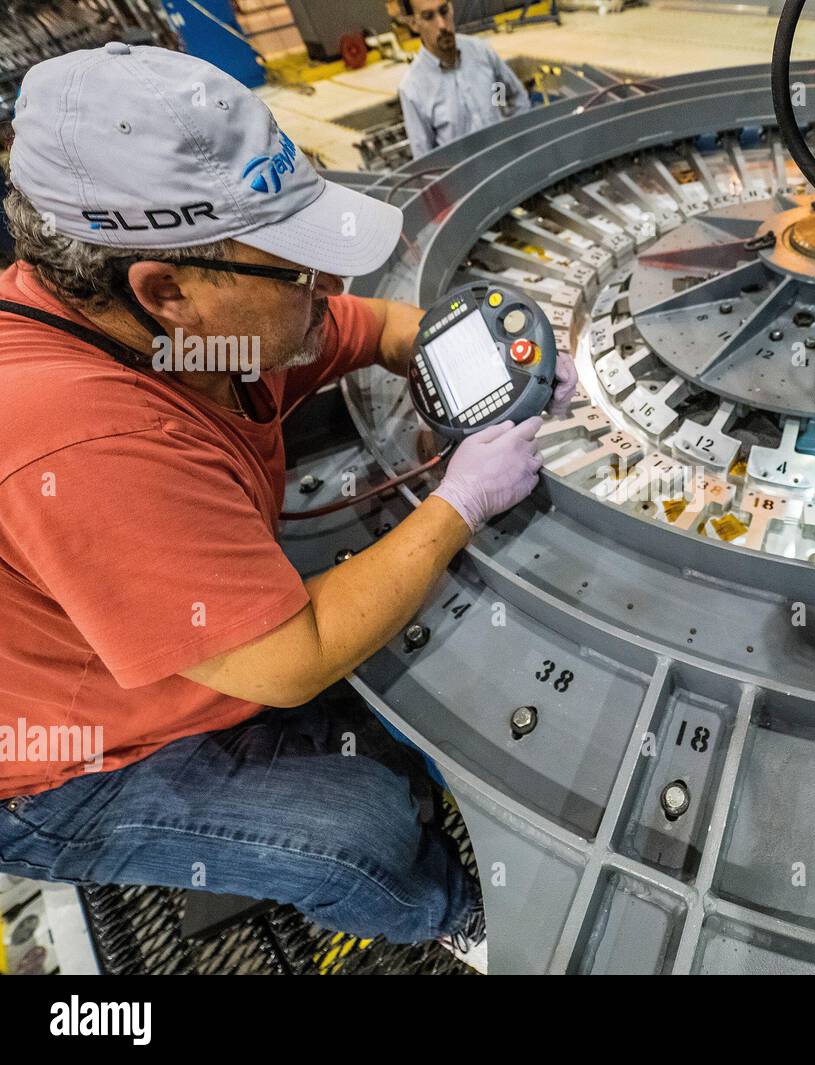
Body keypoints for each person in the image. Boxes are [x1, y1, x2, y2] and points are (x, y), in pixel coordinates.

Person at [0, 42, 575, 946]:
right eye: (297, 268)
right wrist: (461, 501)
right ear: (167, 290)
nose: (329, 286)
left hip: (166, 632)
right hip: (58, 763)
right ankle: (446, 918)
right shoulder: (86, 441)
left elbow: (377, 325)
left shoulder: (185, 332)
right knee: (358, 830)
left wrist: (483, 358)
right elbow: (293, 653)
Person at [397, 0, 531, 158]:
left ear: (451, 8)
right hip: (466, 180)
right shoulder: (413, 89)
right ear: (414, 24)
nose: (442, 25)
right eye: (429, 17)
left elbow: (510, 96)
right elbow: (425, 158)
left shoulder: (481, 53)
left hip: (507, 167)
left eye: (444, 11)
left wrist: (517, 138)